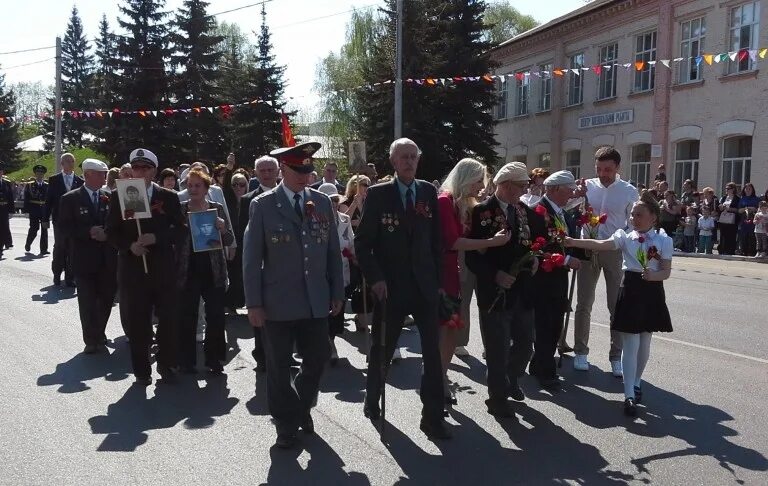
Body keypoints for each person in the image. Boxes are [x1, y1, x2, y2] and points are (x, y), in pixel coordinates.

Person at [243, 141, 344, 449]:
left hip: (315, 299)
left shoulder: (322, 202)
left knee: (317, 358)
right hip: (278, 303)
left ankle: (300, 406)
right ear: (284, 170)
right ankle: (286, 425)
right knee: (278, 366)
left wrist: (337, 291)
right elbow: (251, 258)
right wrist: (254, 303)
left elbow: (331, 251)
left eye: (308, 170)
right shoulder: (263, 205)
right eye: (299, 170)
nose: (305, 176)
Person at [354, 137, 451, 439]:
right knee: (382, 351)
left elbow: (436, 241)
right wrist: (376, 278)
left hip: (424, 288)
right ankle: (372, 399)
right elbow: (364, 244)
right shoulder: (379, 194)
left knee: (433, 356)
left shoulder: (427, 191)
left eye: (413, 156)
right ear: (393, 162)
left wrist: (437, 282)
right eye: (403, 157)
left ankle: (432, 417)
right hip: (391, 289)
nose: (409, 161)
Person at [565, 192, 673, 416]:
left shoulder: (663, 240)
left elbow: (665, 271)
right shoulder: (624, 236)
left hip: (651, 291)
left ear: (653, 217)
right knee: (630, 343)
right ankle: (629, 396)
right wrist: (574, 241)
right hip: (631, 288)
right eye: (632, 214)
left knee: (644, 342)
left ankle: (636, 382)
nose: (634, 218)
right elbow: (601, 244)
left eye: (639, 214)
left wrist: (654, 276)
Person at [465, 162, 546, 417]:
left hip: (522, 292)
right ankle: (497, 399)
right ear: (506, 185)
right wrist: (495, 275)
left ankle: (510, 378)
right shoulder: (480, 212)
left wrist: (535, 260)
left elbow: (536, 245)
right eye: (520, 186)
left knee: (526, 345)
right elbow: (472, 256)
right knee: (497, 349)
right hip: (494, 294)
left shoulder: (525, 211)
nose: (523, 191)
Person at [106, 148, 185, 386]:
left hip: (162, 270)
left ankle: (166, 363)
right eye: (137, 168)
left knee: (168, 320)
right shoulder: (122, 195)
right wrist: (130, 245)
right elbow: (111, 232)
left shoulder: (168, 197)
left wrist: (157, 238)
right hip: (134, 270)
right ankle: (141, 370)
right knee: (138, 323)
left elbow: (180, 230)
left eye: (146, 168)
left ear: (154, 171)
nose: (141, 172)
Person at [437, 158, 510, 402]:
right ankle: (437, 381)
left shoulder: (463, 204)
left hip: (453, 274)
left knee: (450, 330)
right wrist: (491, 243)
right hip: (441, 275)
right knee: (444, 329)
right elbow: (453, 242)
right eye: (478, 180)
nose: (481, 186)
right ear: (466, 178)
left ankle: (440, 377)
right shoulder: (444, 201)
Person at [569, 147, 638, 377]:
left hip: (613, 250)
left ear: (618, 168)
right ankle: (581, 351)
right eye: (599, 169)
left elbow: (632, 223)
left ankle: (615, 355)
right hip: (587, 247)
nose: (602, 173)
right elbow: (566, 207)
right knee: (583, 303)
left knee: (616, 305)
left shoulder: (628, 191)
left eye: (607, 169)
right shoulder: (587, 186)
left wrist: (621, 239)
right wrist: (574, 194)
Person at [530, 171, 584, 389]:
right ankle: (546, 371)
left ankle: (537, 363)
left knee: (555, 324)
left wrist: (578, 254)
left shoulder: (563, 213)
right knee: (546, 325)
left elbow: (569, 239)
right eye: (568, 189)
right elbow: (536, 247)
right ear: (553, 189)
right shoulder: (538, 212)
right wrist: (566, 259)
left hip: (559, 278)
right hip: (543, 278)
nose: (571, 193)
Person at [177, 169, 234, 374]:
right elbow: (171, 238)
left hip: (213, 270)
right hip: (188, 270)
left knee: (216, 315)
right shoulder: (180, 209)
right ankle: (186, 360)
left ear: (206, 188)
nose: (193, 189)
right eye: (189, 185)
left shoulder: (216, 209)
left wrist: (223, 229)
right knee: (187, 316)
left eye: (197, 185)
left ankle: (214, 358)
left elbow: (228, 239)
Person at [57, 159, 117, 353]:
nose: (104, 177)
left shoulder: (108, 196)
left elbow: (116, 224)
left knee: (106, 298)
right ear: (89, 174)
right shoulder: (70, 198)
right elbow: (65, 228)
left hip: (107, 259)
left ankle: (99, 331)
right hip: (84, 259)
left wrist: (107, 233)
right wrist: (88, 231)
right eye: (101, 174)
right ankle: (91, 339)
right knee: (87, 301)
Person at [240, 155, 280, 372]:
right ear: (255, 173)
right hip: (260, 265)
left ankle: (283, 354)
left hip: (282, 264)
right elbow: (242, 232)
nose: (266, 174)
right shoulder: (248, 200)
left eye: (270, 169)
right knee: (260, 311)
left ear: (277, 172)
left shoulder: (288, 195)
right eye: (262, 170)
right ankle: (262, 355)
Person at [317, 182, 354, 365]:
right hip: (321, 274)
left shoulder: (344, 220)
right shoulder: (313, 219)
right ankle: (328, 343)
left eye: (334, 200)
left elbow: (351, 243)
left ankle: (330, 339)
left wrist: (355, 255)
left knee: (338, 311)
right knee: (324, 309)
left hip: (342, 271)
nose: (331, 204)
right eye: (327, 200)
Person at [45, 152, 84, 286]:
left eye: (72, 161)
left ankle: (70, 277)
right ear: (62, 164)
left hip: (74, 221)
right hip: (59, 220)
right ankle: (57, 273)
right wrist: (45, 218)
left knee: (72, 248)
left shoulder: (80, 181)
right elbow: (49, 200)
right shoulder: (54, 180)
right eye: (67, 161)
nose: (70, 163)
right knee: (60, 247)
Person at [23, 165, 49, 255]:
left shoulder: (47, 185)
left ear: (43, 174)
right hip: (33, 209)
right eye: (38, 172)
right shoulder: (30, 185)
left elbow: (49, 199)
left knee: (44, 230)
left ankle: (44, 249)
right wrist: (26, 211)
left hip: (44, 210)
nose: (40, 174)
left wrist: (50, 211)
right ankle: (28, 243)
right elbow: (26, 198)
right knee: (34, 228)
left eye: (41, 173)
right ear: (35, 174)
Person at [717, 183, 740, 255]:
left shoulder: (737, 199)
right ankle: (722, 250)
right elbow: (720, 207)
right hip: (723, 219)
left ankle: (730, 251)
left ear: (733, 189)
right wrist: (720, 207)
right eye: (726, 188)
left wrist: (729, 209)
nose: (726, 190)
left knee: (731, 236)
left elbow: (738, 210)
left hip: (732, 220)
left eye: (728, 188)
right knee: (723, 235)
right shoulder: (724, 198)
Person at [737, 183, 760, 256]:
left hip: (753, 220)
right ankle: (743, 251)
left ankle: (752, 252)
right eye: (746, 189)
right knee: (743, 236)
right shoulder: (742, 199)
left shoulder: (756, 199)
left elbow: (759, 210)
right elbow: (739, 210)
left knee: (752, 236)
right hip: (744, 220)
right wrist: (745, 209)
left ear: (752, 190)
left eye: (749, 189)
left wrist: (754, 209)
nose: (748, 190)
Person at [0, 162, 14, 258]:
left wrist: (11, 210)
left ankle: (1, 248)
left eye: (0, 171)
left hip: (4, 209)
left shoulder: (6, 183)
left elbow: (10, 198)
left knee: (3, 228)